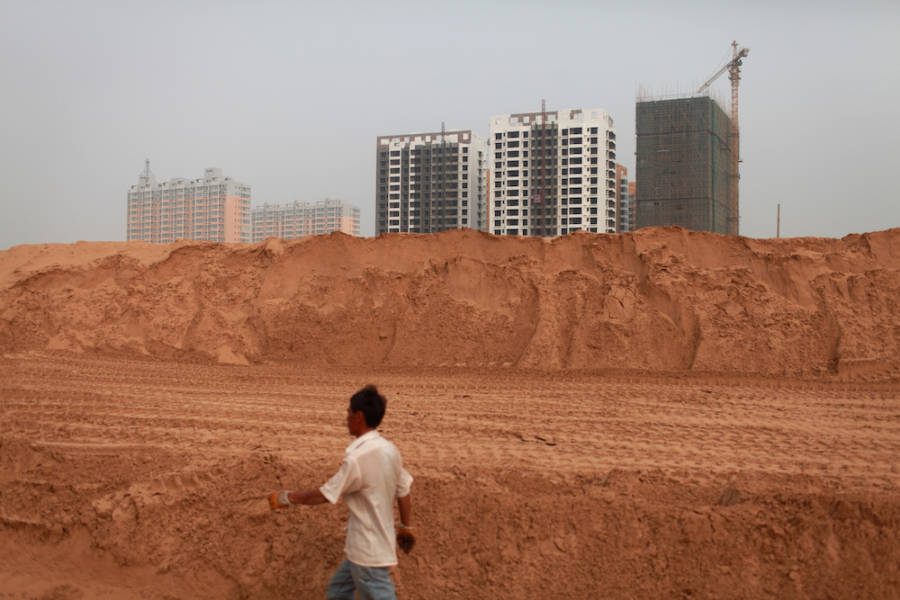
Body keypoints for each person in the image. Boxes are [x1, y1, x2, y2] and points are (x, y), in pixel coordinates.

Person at [269, 384, 414, 600]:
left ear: (359, 417)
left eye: (349, 411)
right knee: (338, 591)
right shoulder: (390, 450)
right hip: (367, 549)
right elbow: (404, 490)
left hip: (367, 553)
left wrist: (288, 498)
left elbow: (326, 494)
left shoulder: (358, 458)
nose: (346, 416)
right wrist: (405, 527)